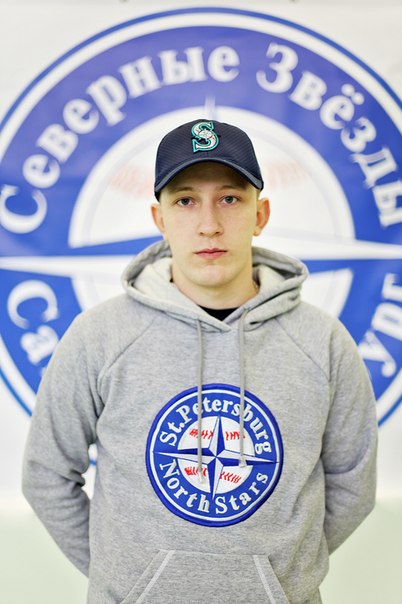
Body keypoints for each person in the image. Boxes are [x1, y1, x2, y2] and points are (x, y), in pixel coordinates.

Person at [22, 119, 378, 604]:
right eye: (186, 201)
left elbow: (353, 482)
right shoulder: (98, 336)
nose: (209, 224)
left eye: (229, 198)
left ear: (260, 214)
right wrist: (127, 578)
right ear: (159, 218)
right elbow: (46, 474)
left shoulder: (324, 343)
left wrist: (280, 580)